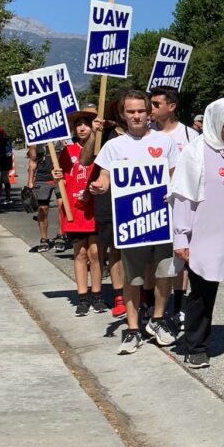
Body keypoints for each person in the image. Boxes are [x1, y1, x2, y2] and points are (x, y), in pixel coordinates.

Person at [89, 89, 181, 354]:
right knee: (133, 279)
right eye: (131, 112)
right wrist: (99, 186)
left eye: (141, 110)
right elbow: (104, 176)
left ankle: (158, 319)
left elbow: (175, 175)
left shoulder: (165, 143)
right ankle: (132, 329)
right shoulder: (113, 146)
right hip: (131, 224)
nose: (137, 116)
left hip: (161, 221)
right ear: (123, 114)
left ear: (148, 112)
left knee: (165, 274)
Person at [171, 98, 224, 370]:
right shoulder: (194, 152)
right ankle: (196, 347)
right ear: (215, 121)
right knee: (201, 293)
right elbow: (183, 196)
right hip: (204, 236)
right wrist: (181, 237)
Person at [150, 86, 198, 322]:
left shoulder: (190, 136)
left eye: (156, 104)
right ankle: (153, 306)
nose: (151, 108)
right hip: (152, 210)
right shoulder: (146, 134)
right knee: (155, 261)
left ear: (171, 106)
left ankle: (179, 307)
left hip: (181, 209)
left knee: (181, 259)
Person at [54, 107, 105, 316]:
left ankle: (97, 294)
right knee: (80, 253)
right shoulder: (67, 151)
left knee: (95, 253)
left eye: (86, 124)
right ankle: (82, 297)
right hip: (75, 210)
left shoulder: (101, 149)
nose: (82, 128)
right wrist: (57, 176)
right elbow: (63, 178)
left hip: (95, 209)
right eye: (79, 125)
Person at [81, 96, 127, 318]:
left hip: (138, 199)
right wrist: (93, 134)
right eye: (122, 109)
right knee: (115, 249)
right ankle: (119, 295)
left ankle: (142, 295)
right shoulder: (103, 135)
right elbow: (85, 160)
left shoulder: (146, 134)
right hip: (109, 200)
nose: (128, 114)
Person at [26, 143, 61, 253]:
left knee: (62, 206)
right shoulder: (36, 143)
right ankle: (44, 239)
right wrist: (30, 182)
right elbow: (32, 161)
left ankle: (61, 235)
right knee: (43, 210)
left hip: (60, 178)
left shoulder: (61, 138)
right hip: (42, 179)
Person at [0, 126, 14, 206]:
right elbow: (9, 153)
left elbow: (8, 153)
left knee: (1, 180)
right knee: (3, 179)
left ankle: (3, 197)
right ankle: (5, 196)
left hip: (1, 164)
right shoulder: (7, 141)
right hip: (5, 163)